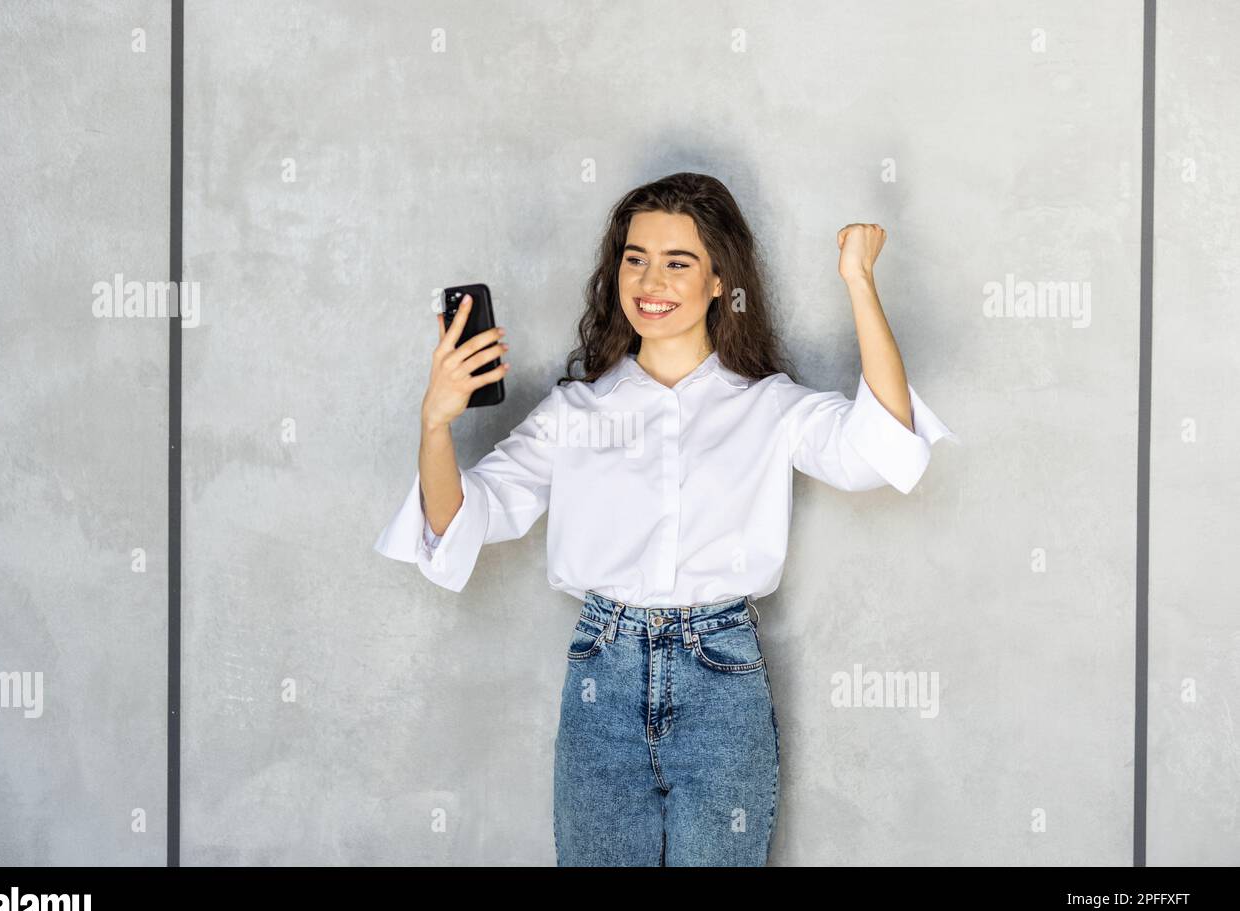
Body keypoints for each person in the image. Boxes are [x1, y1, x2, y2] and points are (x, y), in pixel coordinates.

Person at [374, 171, 959, 866]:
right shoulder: (575, 412)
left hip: (722, 680)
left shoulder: (768, 407)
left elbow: (881, 448)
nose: (651, 279)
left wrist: (858, 280)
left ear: (720, 280)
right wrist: (435, 425)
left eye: (678, 261)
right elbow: (464, 520)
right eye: (635, 257)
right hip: (601, 675)